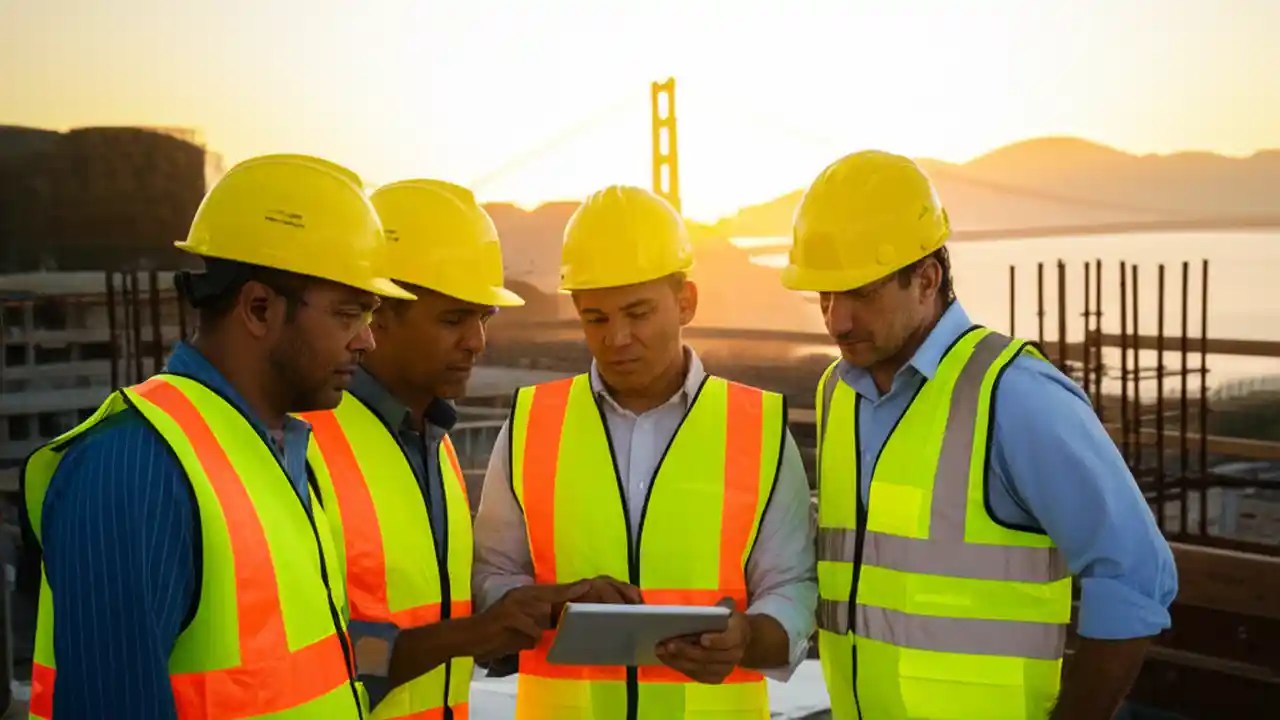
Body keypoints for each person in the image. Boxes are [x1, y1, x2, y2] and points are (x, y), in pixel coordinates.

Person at [783, 150, 1178, 720]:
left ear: (927, 279)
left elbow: (1136, 572)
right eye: (824, 295)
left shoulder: (1014, 395)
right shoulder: (837, 393)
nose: (836, 320)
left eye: (861, 294)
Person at [21, 154, 416, 719]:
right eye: (349, 315)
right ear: (258, 308)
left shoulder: (278, 452)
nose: (366, 343)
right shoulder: (136, 466)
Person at [472, 184, 818, 719]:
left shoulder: (759, 425)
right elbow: (490, 576)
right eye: (597, 318)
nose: (617, 338)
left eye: (637, 313)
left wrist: (747, 639)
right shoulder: (531, 422)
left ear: (687, 302)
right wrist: (548, 604)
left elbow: (791, 586)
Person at [302, 179, 581, 719]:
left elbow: (429, 609)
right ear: (377, 314)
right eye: (454, 319)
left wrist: (539, 607)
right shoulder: (309, 445)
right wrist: (470, 634)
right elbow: (310, 660)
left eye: (483, 318)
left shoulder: (434, 443)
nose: (477, 341)